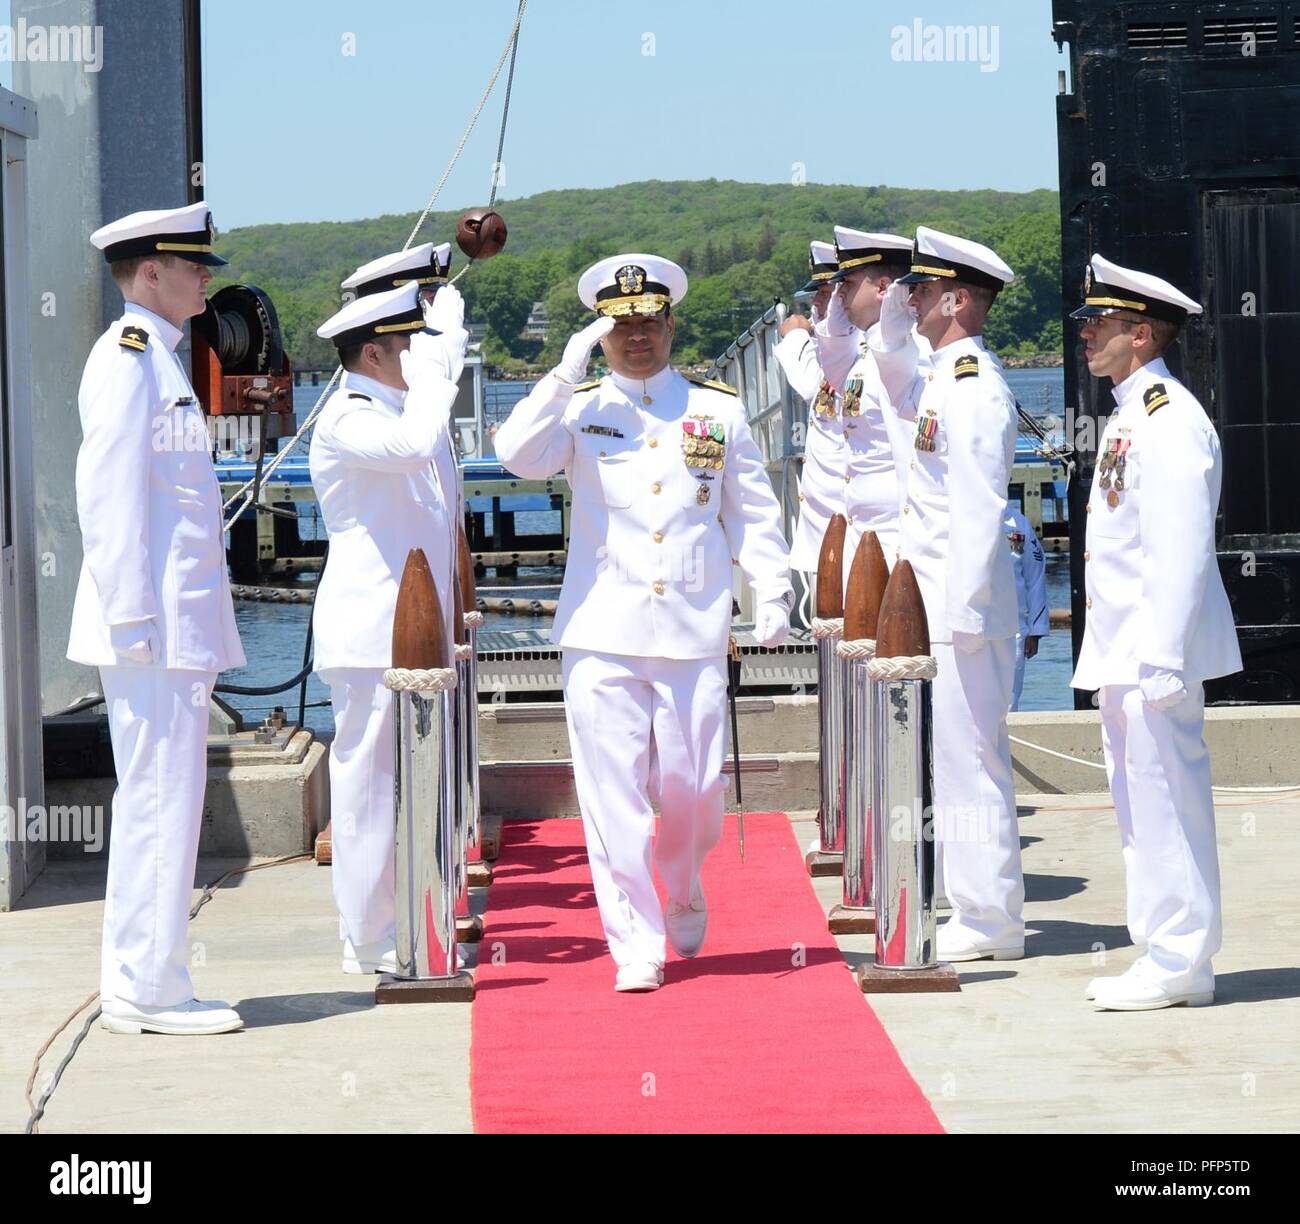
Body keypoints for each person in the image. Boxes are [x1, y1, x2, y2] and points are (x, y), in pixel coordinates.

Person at [493, 253, 792, 992]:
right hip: (601, 631)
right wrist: (562, 373)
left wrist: (776, 589)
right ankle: (635, 941)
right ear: (604, 333)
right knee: (611, 796)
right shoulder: (583, 405)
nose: (636, 338)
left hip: (691, 631)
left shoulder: (716, 409)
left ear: (670, 324)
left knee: (693, 788)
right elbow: (516, 457)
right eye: (620, 327)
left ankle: (683, 881)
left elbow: (751, 509)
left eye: (649, 322)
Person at [69, 202, 246, 1035]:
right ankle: (150, 987)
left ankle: (141, 980)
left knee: (162, 799)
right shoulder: (128, 359)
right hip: (151, 627)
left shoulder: (160, 361)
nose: (206, 275)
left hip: (171, 626)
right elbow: (104, 498)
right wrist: (134, 617)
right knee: (158, 801)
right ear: (150, 274)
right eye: (192, 263)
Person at [1070, 254, 1241, 1010]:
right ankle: (1165, 952)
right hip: (1126, 652)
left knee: (1166, 799)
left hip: (1151, 655)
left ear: (1141, 333)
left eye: (1098, 324)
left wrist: (1164, 660)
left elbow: (1178, 550)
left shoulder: (1169, 420)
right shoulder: (1133, 412)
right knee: (1141, 802)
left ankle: (1180, 958)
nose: (1086, 336)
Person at [870, 226, 1025, 962]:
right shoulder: (941, 377)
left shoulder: (973, 388)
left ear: (958, 299)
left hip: (959, 607)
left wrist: (962, 613)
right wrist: (895, 322)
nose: (914, 298)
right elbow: (894, 386)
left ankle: (990, 918)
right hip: (938, 603)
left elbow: (978, 506)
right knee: (955, 761)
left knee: (971, 761)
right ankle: (978, 908)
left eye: (925, 290)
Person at [309, 281, 467, 973]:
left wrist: (441, 353)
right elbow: (411, 445)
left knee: (420, 777)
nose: (419, 358)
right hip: (372, 629)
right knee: (370, 783)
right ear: (374, 353)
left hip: (416, 629)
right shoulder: (349, 415)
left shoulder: (401, 408)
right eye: (409, 345)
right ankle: (367, 937)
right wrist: (441, 361)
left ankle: (416, 915)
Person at [1003, 500, 1050, 710]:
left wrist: (1036, 629)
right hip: (969, 625)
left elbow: (1035, 576)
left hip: (1014, 629)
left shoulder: (1018, 523)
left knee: (1009, 700)